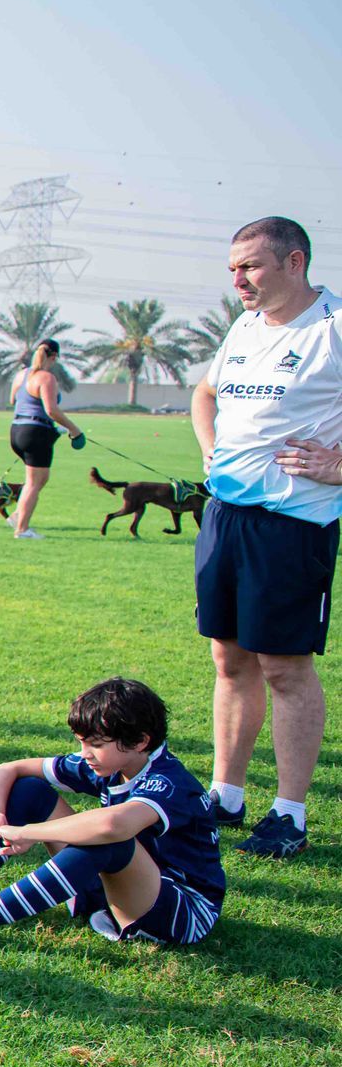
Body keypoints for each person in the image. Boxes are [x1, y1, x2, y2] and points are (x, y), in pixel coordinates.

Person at [191, 215, 341, 860]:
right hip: (226, 517)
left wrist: (339, 466)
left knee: (284, 666)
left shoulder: (333, 328)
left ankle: (289, 813)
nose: (239, 280)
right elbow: (204, 393)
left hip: (294, 524)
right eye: (233, 269)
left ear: (294, 262)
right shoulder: (245, 327)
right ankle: (226, 795)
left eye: (250, 266)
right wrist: (210, 448)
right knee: (229, 658)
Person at [0, 676, 225, 947]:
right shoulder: (113, 762)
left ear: (140, 741)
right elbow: (9, 770)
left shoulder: (168, 781)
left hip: (180, 911)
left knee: (107, 838)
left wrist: (27, 832)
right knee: (29, 789)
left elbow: (114, 825)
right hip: (117, 890)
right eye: (82, 742)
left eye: (96, 744)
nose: (85, 753)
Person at [7, 339, 85, 539]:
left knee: (40, 478)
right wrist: (74, 429)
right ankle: (22, 529)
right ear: (54, 357)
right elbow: (51, 410)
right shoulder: (46, 378)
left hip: (17, 429)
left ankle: (17, 515)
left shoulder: (21, 375)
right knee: (34, 482)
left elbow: (12, 400)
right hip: (36, 432)